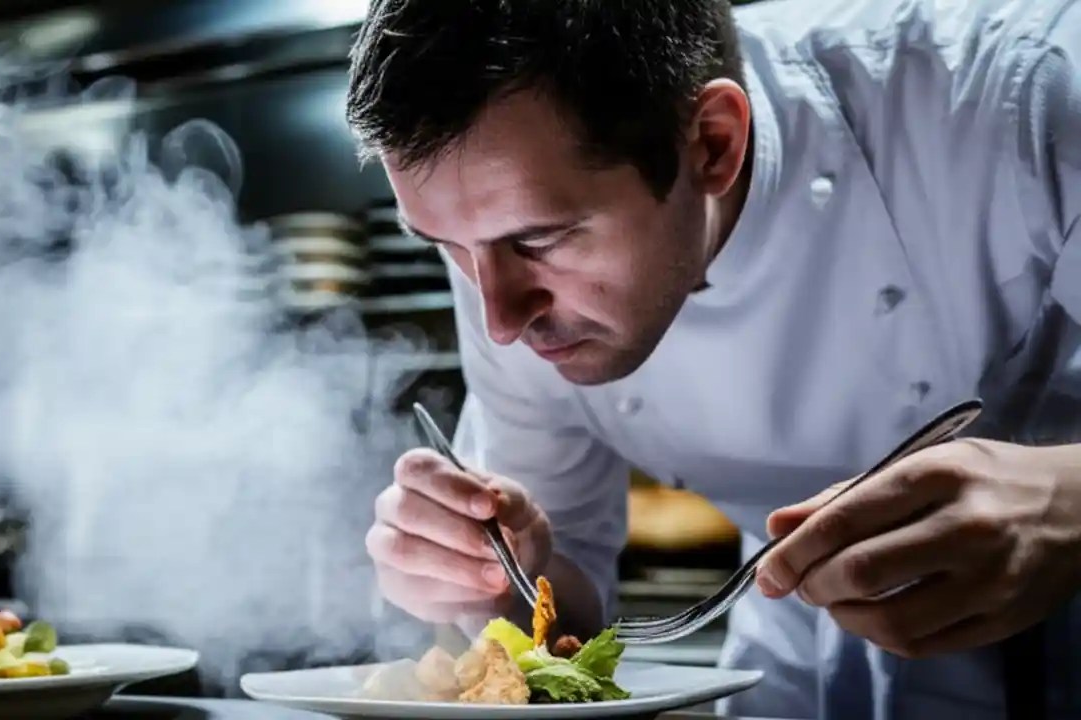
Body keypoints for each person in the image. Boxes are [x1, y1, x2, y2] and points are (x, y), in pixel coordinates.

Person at [345, 0, 1081, 717]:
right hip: (787, 665)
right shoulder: (493, 227)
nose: (498, 320)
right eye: (442, 245)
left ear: (712, 145)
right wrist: (492, 574)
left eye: (540, 240)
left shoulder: (1025, 93)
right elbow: (560, 618)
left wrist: (1068, 498)